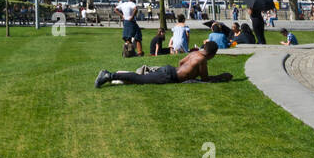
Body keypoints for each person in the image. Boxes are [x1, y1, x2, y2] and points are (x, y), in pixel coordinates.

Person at [95, 40, 233, 88]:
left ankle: (113, 76)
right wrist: (222, 76)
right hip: (169, 76)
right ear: (212, 54)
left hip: (170, 69)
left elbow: (181, 62)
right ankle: (109, 75)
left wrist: (186, 72)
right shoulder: (202, 60)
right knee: (139, 79)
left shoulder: (195, 53)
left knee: (141, 78)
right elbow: (205, 80)